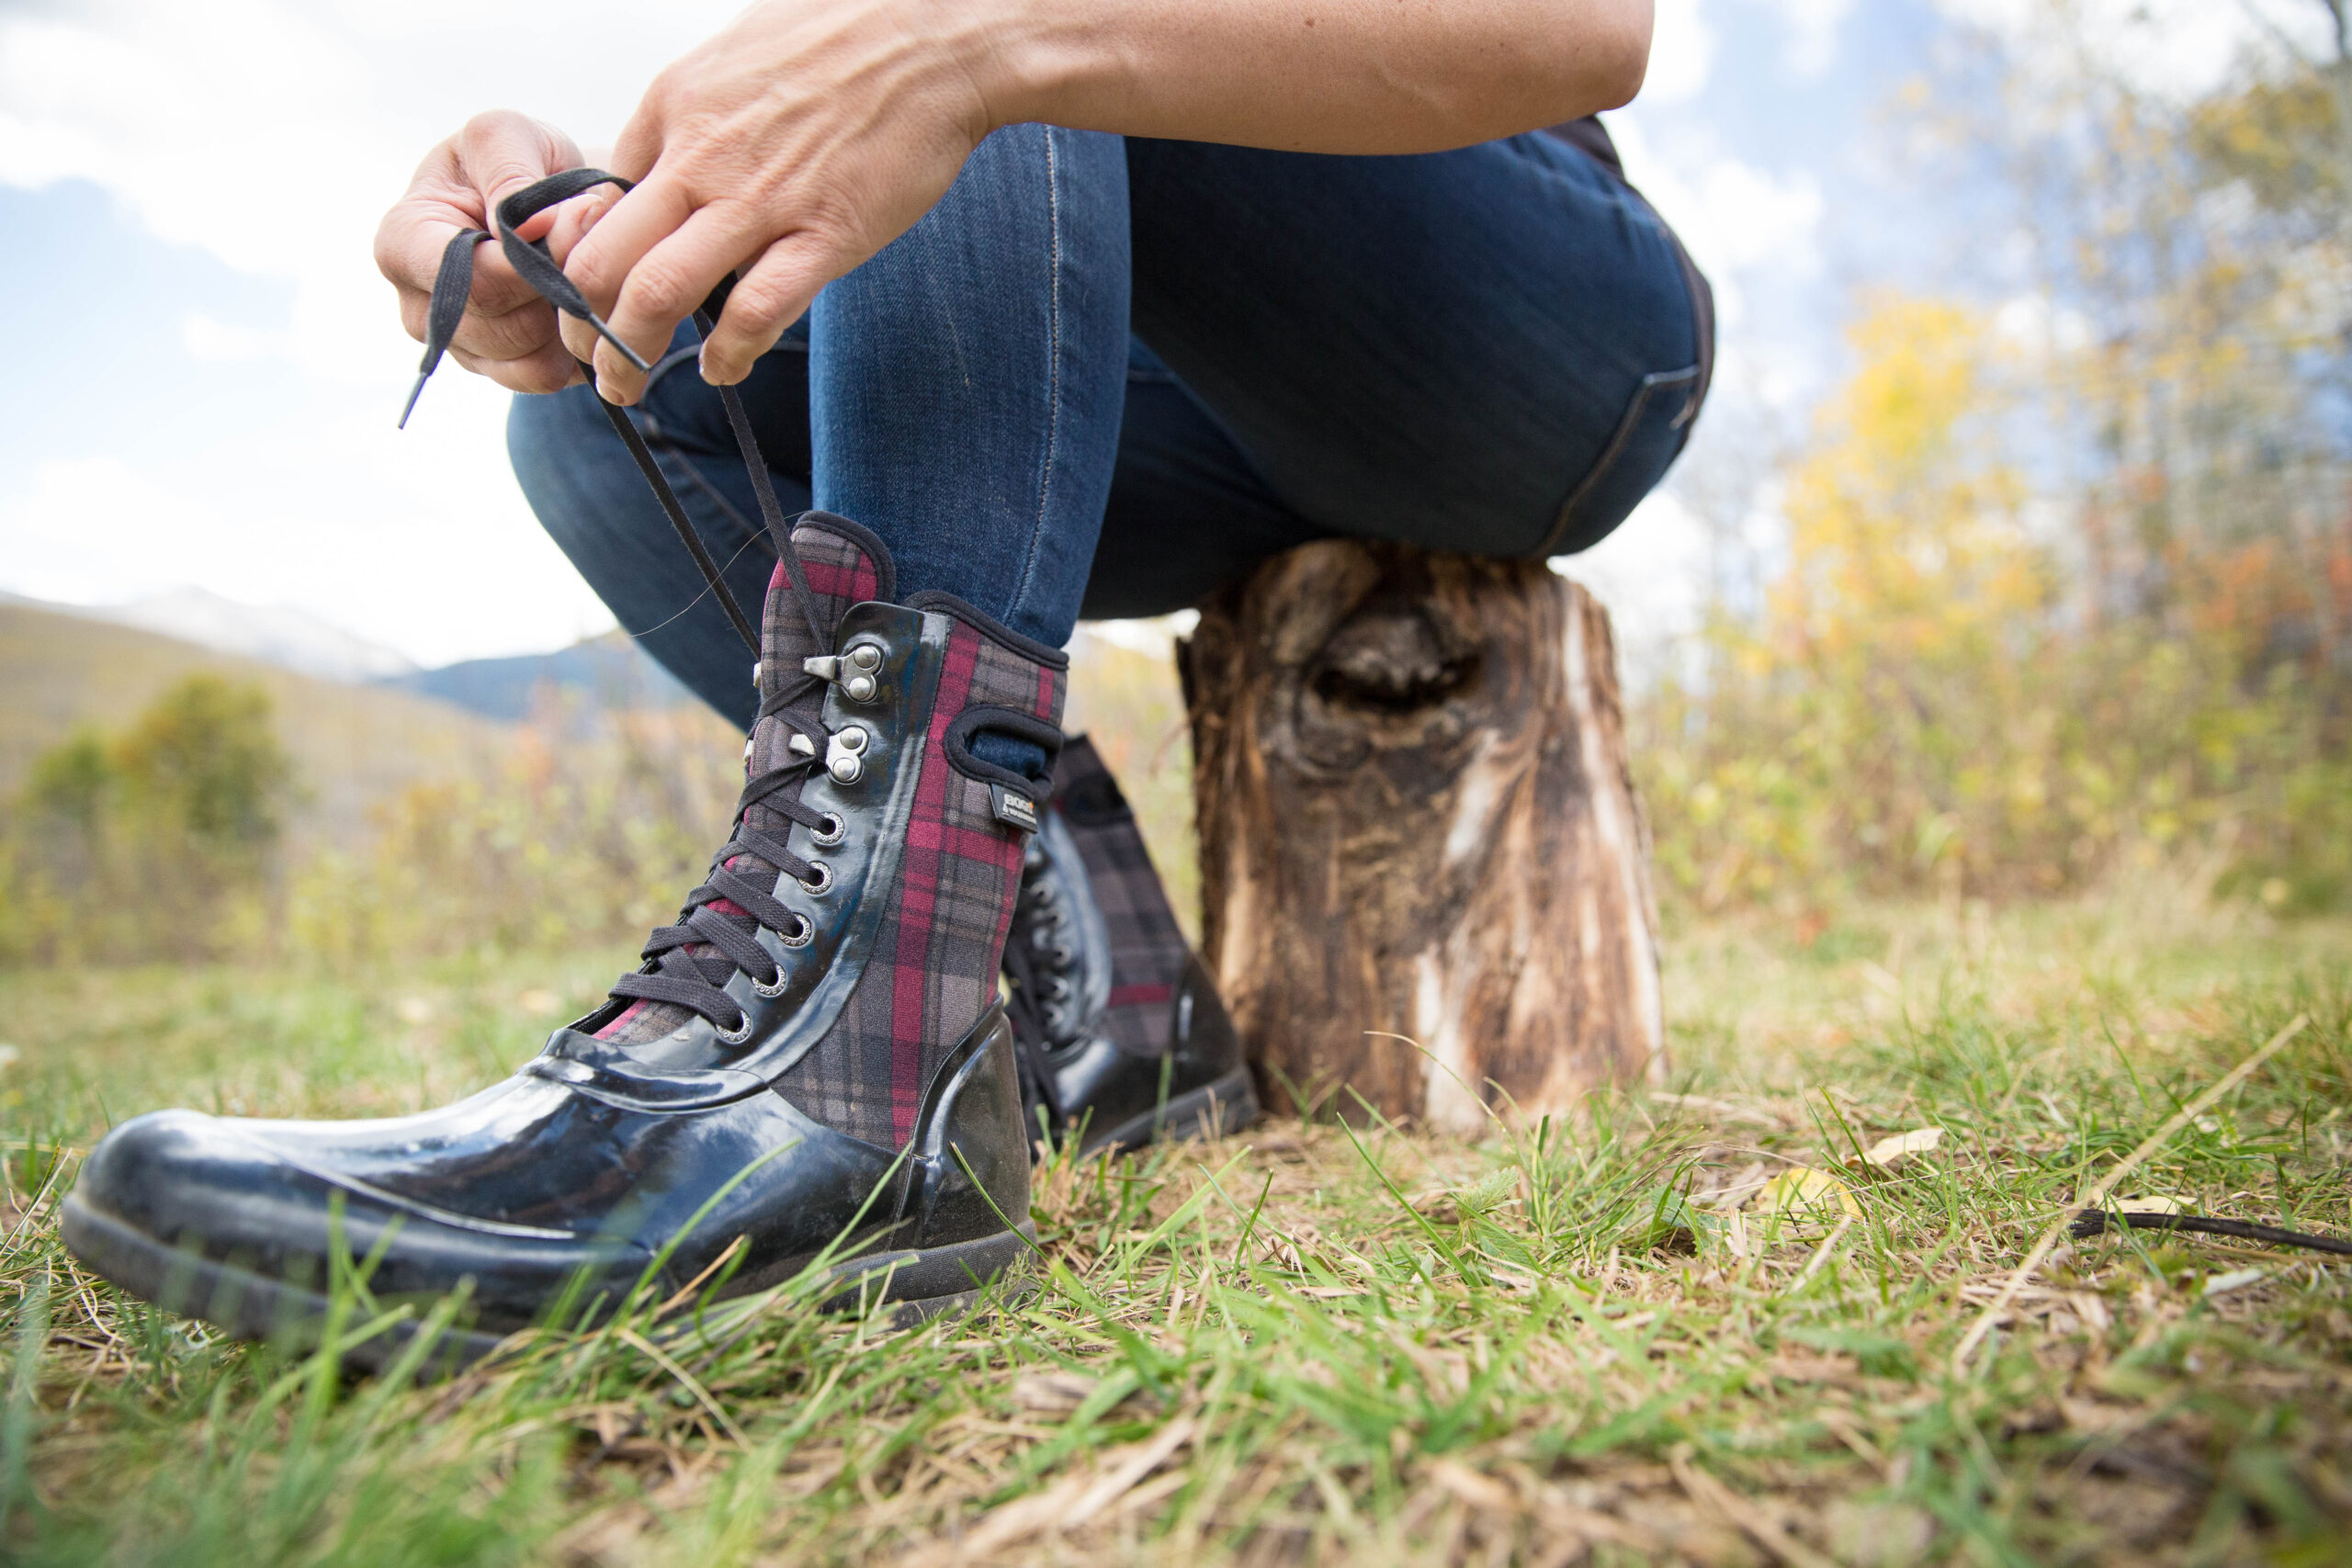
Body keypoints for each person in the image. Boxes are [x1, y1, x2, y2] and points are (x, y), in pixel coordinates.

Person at [62, 0, 1707, 1363]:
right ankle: (1072, 980)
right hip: (1140, 383)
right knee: (608, 400)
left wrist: (950, 45)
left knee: (954, 38)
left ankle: (850, 1061)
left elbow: (1582, 27)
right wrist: (588, 225)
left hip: (1525, 347)